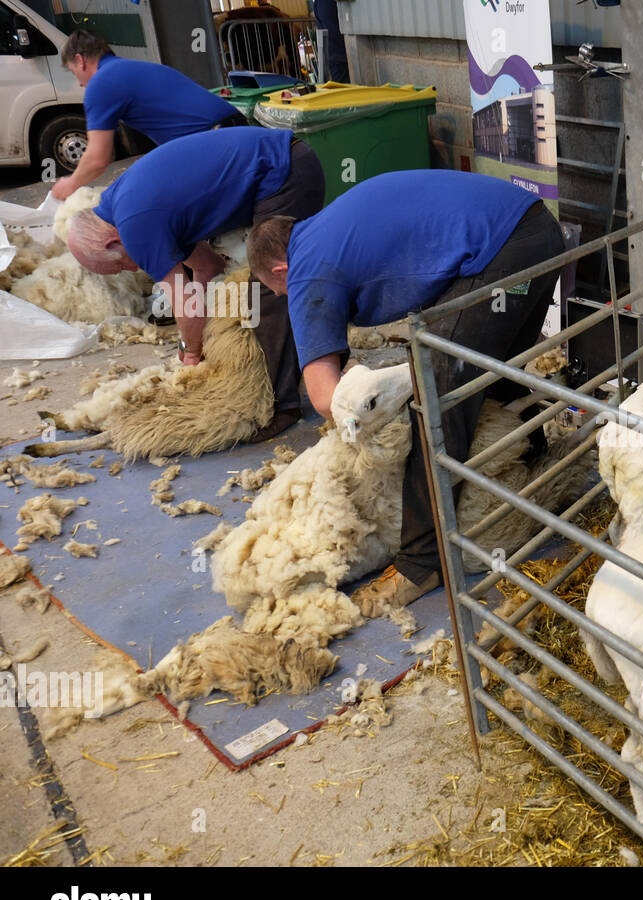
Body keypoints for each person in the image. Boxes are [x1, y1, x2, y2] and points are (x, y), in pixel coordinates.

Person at [245, 170, 566, 614]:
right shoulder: (327, 230)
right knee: (495, 366)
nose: (285, 297)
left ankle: (421, 563)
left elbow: (326, 400)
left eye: (277, 289)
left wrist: (365, 382)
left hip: (501, 251)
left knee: (438, 391)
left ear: (280, 269)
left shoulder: (305, 271)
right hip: (537, 230)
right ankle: (530, 475)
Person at [64, 126, 325, 442]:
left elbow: (185, 306)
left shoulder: (134, 224)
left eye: (120, 264)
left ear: (111, 243)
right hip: (286, 162)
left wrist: (191, 354)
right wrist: (200, 326)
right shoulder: (124, 203)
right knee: (271, 285)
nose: (131, 268)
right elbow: (207, 266)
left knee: (268, 288)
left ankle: (279, 407)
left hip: (284, 173)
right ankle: (310, 367)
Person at [52, 30, 246, 200]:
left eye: (73, 72)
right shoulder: (132, 68)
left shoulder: (101, 83)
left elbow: (97, 159)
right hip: (238, 130)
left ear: (80, 60)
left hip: (213, 143)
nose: (79, 83)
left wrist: (70, 184)